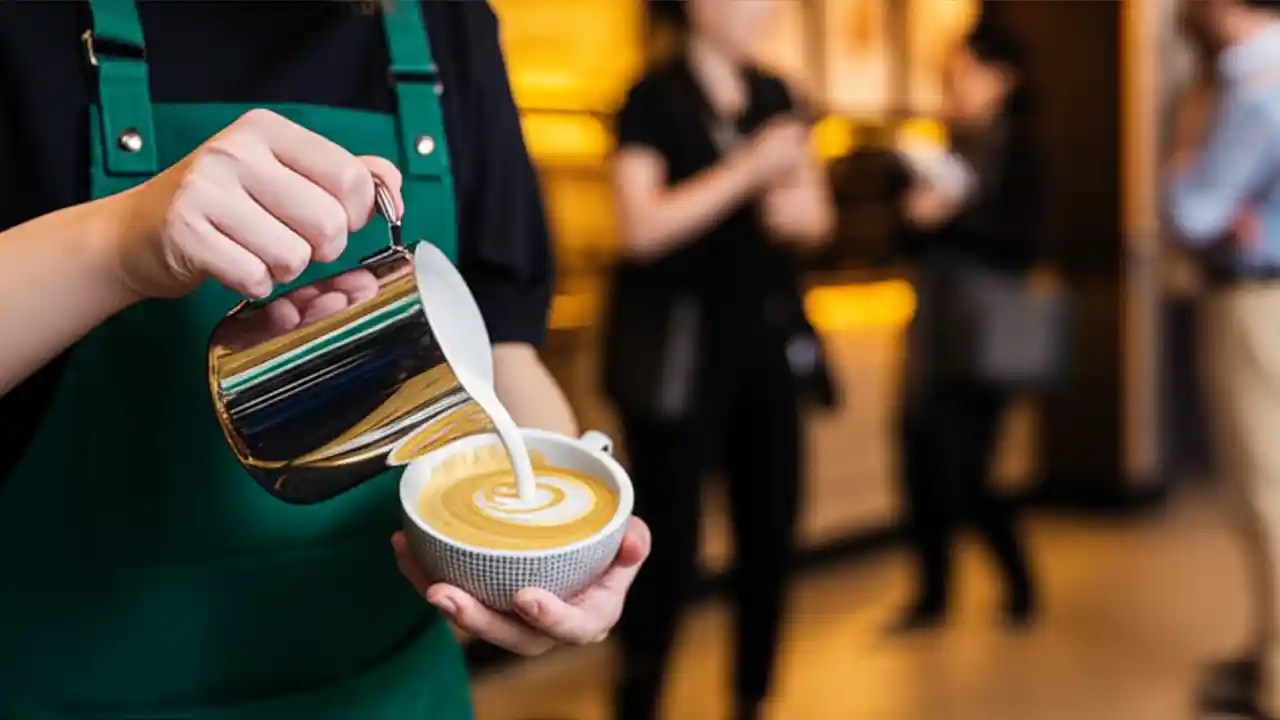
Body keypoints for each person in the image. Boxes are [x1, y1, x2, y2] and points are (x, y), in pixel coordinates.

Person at [0, 2, 650, 718]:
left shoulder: (449, 22)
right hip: (64, 689)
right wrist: (117, 242)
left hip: (394, 692)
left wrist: (561, 565)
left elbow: (504, 349)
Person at [603, 2, 835, 719]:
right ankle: (640, 699)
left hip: (765, 349)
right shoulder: (651, 98)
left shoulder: (777, 94)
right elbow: (640, 228)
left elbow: (816, 214)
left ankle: (752, 696)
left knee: (770, 533)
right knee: (664, 547)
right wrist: (749, 169)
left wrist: (801, 212)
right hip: (680, 358)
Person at [893, 22, 1041, 632]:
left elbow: (1025, 245)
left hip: (986, 336)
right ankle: (931, 599)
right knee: (919, 459)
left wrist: (952, 216)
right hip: (932, 330)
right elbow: (902, 239)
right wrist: (916, 215)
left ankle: (1020, 583)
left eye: (964, 74)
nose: (953, 88)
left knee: (970, 471)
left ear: (1002, 78)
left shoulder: (1021, 150)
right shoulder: (939, 146)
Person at [1167, 1, 1280, 717]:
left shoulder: (1255, 83)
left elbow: (1193, 211)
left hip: (1258, 303)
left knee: (1267, 490)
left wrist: (1183, 152)